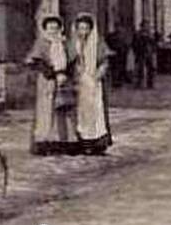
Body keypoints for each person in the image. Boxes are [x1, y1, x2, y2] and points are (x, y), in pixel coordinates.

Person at [25, 15, 78, 155]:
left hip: (64, 82)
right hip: (47, 81)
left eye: (56, 28)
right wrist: (51, 72)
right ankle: (43, 142)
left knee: (64, 111)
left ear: (60, 29)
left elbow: (73, 60)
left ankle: (64, 142)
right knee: (46, 110)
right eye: (50, 28)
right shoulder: (41, 43)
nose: (53, 31)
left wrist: (65, 73)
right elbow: (35, 61)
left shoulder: (66, 43)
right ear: (45, 29)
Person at [69, 12, 113, 155]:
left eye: (86, 28)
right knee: (80, 113)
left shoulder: (97, 43)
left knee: (96, 112)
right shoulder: (72, 44)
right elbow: (67, 61)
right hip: (78, 83)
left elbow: (104, 61)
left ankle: (97, 142)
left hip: (94, 82)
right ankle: (82, 141)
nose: (83, 32)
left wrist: (97, 74)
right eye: (80, 28)